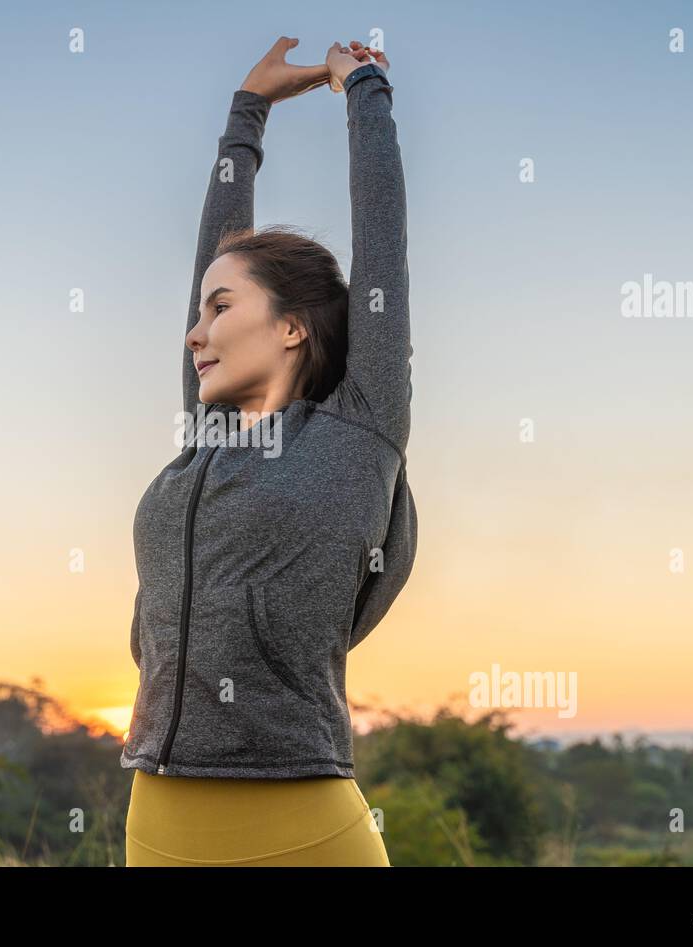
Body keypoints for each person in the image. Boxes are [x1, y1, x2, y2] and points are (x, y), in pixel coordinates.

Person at [123, 36, 416, 866]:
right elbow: (212, 255)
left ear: (292, 326)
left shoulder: (359, 433)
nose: (195, 330)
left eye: (220, 308)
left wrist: (362, 89)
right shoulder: (205, 439)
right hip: (156, 817)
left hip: (301, 821)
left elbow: (384, 239)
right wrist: (244, 116)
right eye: (198, 311)